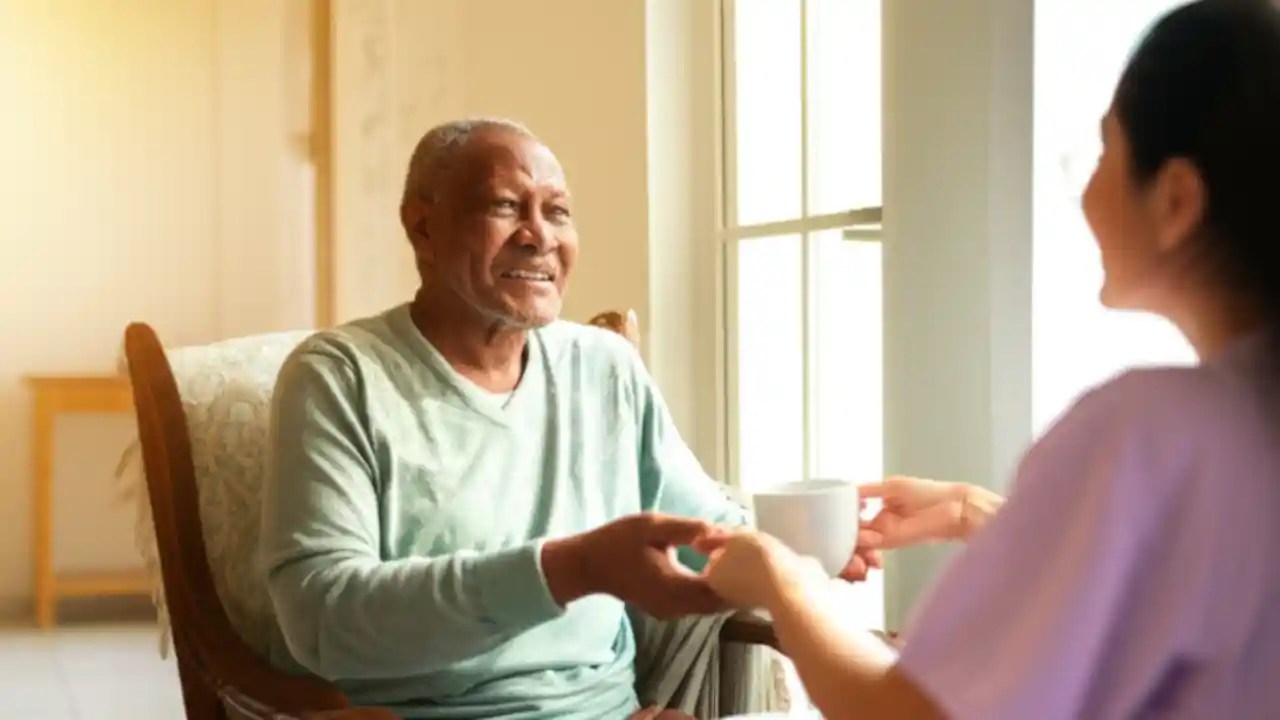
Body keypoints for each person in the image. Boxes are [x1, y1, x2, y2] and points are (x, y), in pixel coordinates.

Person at [701, 1, 1280, 718]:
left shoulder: (1149, 430)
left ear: (1177, 198)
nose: (1086, 188)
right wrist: (982, 514)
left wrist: (786, 583)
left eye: (1103, 151)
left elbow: (912, 715)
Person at [259, 118, 758, 719]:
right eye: (505, 206)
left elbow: (709, 537)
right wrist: (570, 568)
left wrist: (818, 537)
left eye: (558, 212)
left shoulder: (604, 367)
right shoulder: (339, 376)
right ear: (423, 227)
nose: (539, 236)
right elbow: (323, 619)